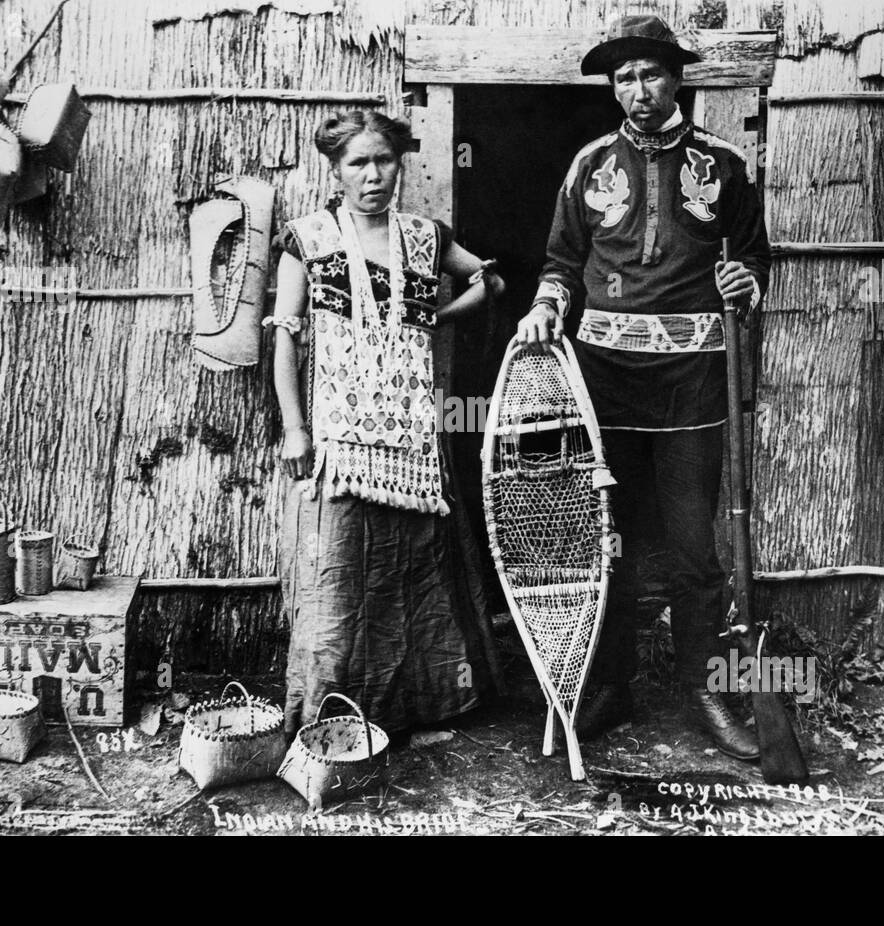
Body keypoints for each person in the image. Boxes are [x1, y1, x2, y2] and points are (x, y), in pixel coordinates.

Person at [518, 15, 771, 760]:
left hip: (693, 382)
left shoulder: (723, 164)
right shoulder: (588, 163)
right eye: (624, 78)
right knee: (607, 541)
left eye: (650, 74)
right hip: (604, 384)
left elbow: (755, 256)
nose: (638, 91)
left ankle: (703, 691)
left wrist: (743, 279)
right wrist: (544, 307)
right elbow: (562, 263)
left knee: (695, 551)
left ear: (677, 78)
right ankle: (609, 686)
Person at [266, 110, 505, 739]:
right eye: (358, 164)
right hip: (336, 444)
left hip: (413, 443)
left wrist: (439, 317)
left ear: (400, 163)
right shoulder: (308, 239)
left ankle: (415, 711)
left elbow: (490, 279)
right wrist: (295, 429)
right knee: (336, 582)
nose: (374, 176)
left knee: (416, 578)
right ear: (336, 170)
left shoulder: (424, 238)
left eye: (385, 161)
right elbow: (285, 340)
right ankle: (323, 718)